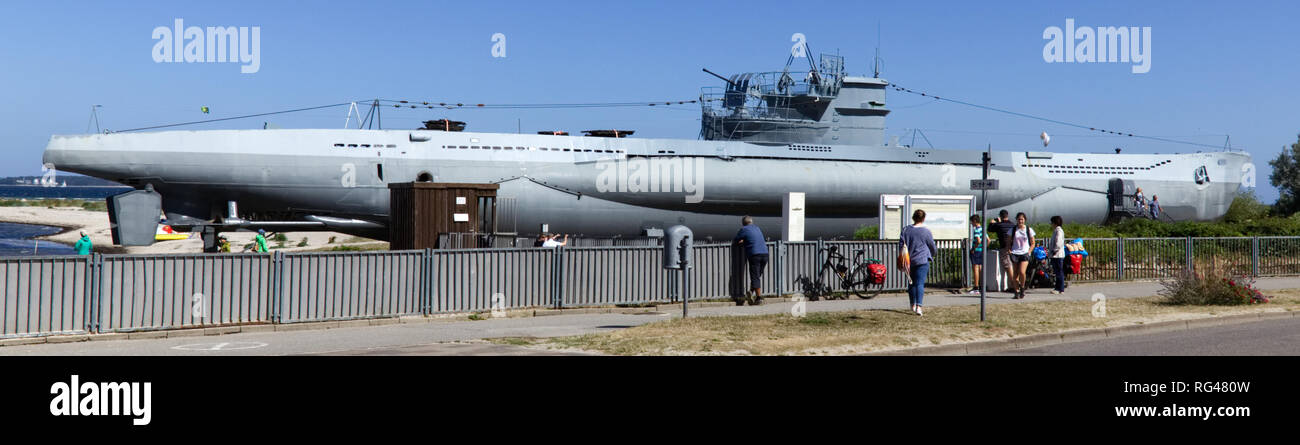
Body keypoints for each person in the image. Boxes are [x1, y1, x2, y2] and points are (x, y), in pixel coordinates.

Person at [899, 209, 938, 315]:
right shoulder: (926, 231)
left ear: (913, 217)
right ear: (923, 218)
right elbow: (932, 246)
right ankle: (919, 306)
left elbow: (901, 245)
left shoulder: (906, 230)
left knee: (911, 283)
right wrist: (933, 254)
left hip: (909, 260)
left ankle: (912, 304)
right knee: (920, 283)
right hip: (922, 260)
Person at [733, 216, 769, 305]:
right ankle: (751, 291)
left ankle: (759, 298)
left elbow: (735, 240)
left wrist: (741, 242)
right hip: (765, 254)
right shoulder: (757, 228)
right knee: (758, 275)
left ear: (743, 223)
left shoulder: (744, 229)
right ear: (751, 222)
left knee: (755, 277)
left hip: (755, 255)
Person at [987, 210, 1018, 292]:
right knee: (1014, 265)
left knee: (1008, 266)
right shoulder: (1012, 224)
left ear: (1000, 216)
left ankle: (1012, 285)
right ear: (1007, 215)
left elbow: (989, 229)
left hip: (1004, 247)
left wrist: (992, 222)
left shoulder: (999, 225)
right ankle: (1015, 284)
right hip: (1014, 247)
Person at [1009, 212, 1036, 299]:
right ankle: (1016, 292)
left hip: (1024, 253)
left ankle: (1022, 287)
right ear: (1016, 220)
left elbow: (1033, 243)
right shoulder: (1013, 230)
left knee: (1022, 272)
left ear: (1024, 220)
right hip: (1015, 252)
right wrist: (1009, 250)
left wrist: (1029, 252)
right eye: (1019, 219)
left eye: (1022, 219)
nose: (1020, 221)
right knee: (1015, 275)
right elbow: (1008, 241)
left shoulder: (1028, 230)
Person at [968, 214, 989, 294]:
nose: (972, 224)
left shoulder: (977, 229)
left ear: (975, 221)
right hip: (982, 251)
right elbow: (988, 240)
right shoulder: (983, 229)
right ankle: (981, 286)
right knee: (980, 268)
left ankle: (976, 287)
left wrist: (974, 248)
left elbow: (978, 240)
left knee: (975, 268)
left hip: (976, 251)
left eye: (972, 222)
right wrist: (984, 248)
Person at [1048, 216, 1066, 294]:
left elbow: (1058, 243)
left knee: (1059, 272)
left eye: (1052, 222)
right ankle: (1057, 288)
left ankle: (1060, 288)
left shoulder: (1058, 231)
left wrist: (1054, 250)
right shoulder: (1057, 230)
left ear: (1055, 223)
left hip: (1057, 255)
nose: (1051, 224)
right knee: (1058, 272)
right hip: (1057, 254)